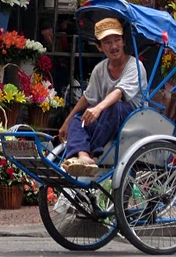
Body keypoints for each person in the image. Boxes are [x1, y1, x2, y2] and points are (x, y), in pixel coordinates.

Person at [58, 17, 147, 177]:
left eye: (117, 40)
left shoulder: (135, 66)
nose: (114, 46)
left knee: (114, 105)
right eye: (107, 42)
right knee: (78, 121)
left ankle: (91, 153)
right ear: (99, 47)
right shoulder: (100, 69)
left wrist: (98, 108)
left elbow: (119, 92)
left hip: (134, 118)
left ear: (124, 41)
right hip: (106, 118)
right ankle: (83, 156)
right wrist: (67, 121)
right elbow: (87, 97)